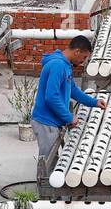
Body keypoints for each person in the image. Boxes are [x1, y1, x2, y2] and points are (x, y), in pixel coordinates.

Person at [32, 35, 106, 163]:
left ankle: (49, 182)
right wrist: (68, 117)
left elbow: (73, 89)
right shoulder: (58, 65)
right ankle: (44, 183)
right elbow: (51, 96)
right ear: (77, 51)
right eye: (84, 57)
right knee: (47, 162)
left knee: (52, 159)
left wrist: (94, 102)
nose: (83, 61)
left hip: (53, 120)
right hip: (46, 121)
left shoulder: (65, 65)